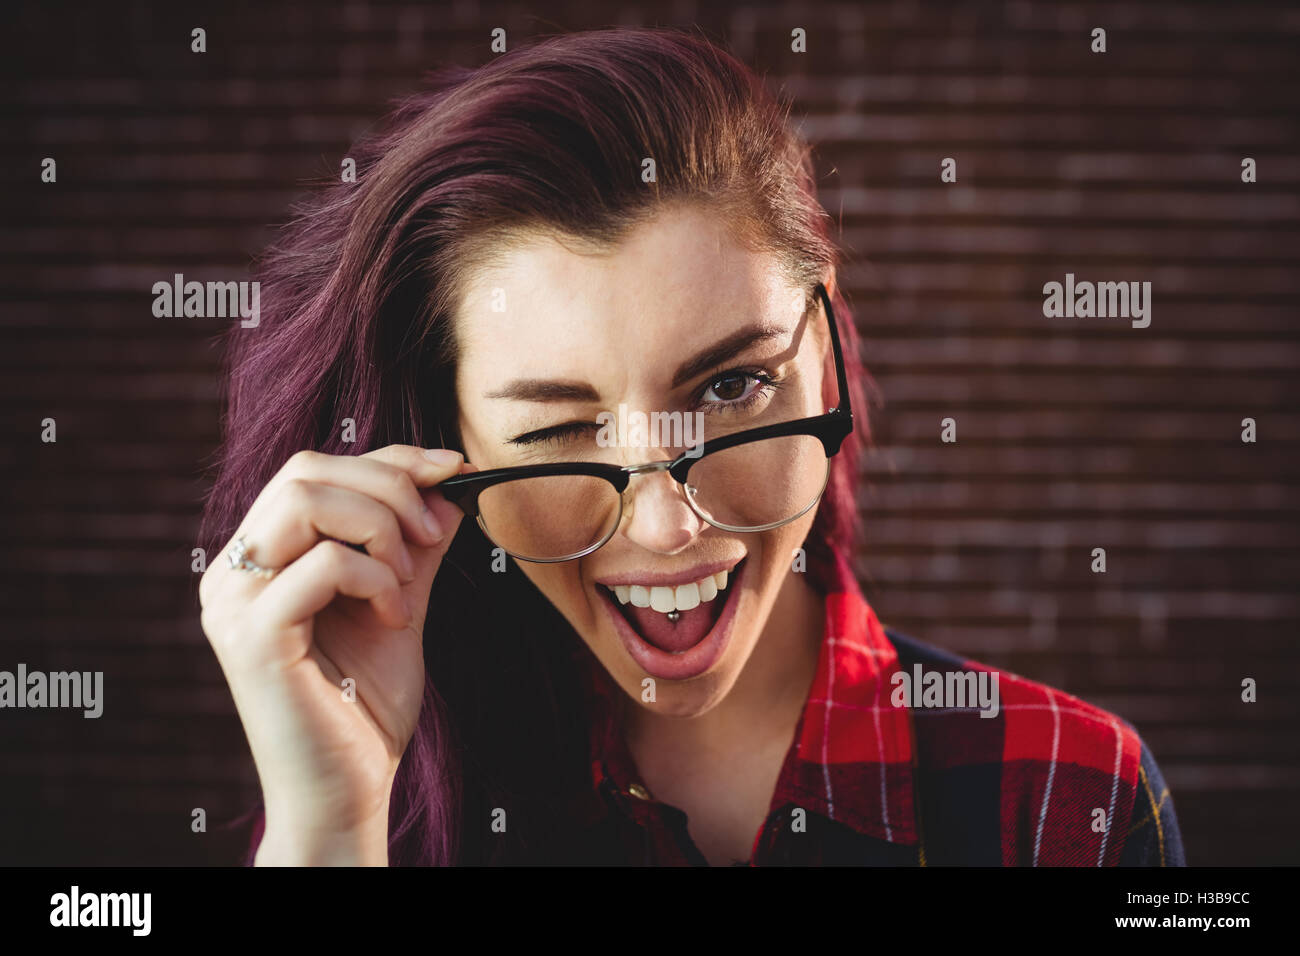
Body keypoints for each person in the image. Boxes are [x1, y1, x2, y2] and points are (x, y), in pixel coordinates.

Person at [198, 27, 1184, 866]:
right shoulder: (402, 812)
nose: (668, 524)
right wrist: (327, 825)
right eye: (554, 428)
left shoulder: (1063, 792)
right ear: (446, 449)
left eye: (729, 386)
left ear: (826, 347)